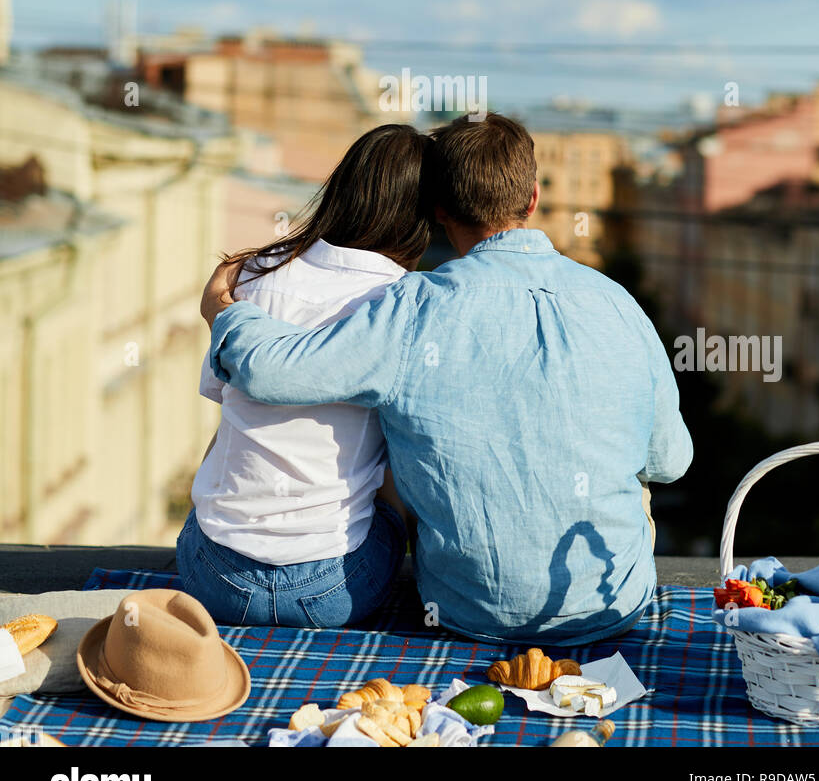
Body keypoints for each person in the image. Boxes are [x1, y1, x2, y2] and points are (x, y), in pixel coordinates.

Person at [201, 113, 693, 644]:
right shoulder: (616, 302)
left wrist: (223, 310)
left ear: (438, 211)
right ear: (531, 198)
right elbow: (670, 463)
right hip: (609, 610)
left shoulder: (414, 307)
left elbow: (270, 372)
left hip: (465, 611)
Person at [177, 123, 431, 626]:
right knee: (390, 471)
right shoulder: (407, 305)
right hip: (333, 591)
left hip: (214, 580)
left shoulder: (254, 273)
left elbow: (223, 405)